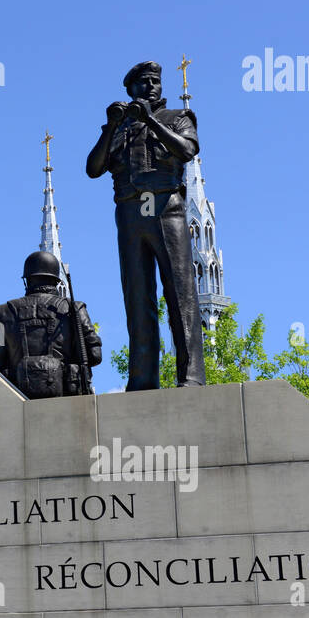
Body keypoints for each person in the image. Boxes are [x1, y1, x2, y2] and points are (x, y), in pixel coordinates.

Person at [85, 60, 205, 390]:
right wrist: (109, 127)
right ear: (130, 89)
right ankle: (142, 378)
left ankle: (192, 375)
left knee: (180, 293)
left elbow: (186, 151)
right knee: (137, 297)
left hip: (167, 209)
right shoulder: (120, 128)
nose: (150, 87)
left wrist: (151, 120)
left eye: (155, 82)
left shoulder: (177, 118)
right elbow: (93, 169)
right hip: (129, 213)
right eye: (143, 83)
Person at [0, 251, 102, 398]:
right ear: (57, 281)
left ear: (27, 280)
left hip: (17, 399)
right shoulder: (75, 309)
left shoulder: (2, 313)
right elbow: (95, 356)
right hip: (68, 399)